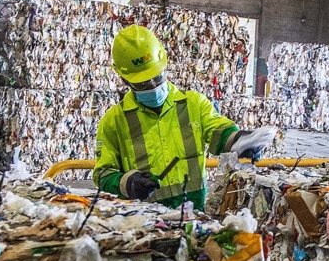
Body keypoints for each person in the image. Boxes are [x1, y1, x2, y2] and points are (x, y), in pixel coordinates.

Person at [92, 25, 275, 210]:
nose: (154, 86)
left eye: (158, 76)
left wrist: (241, 141)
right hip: (143, 221)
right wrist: (128, 182)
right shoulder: (114, 121)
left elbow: (220, 133)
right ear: (125, 80)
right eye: (144, 83)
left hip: (193, 216)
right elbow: (102, 174)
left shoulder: (193, 104)